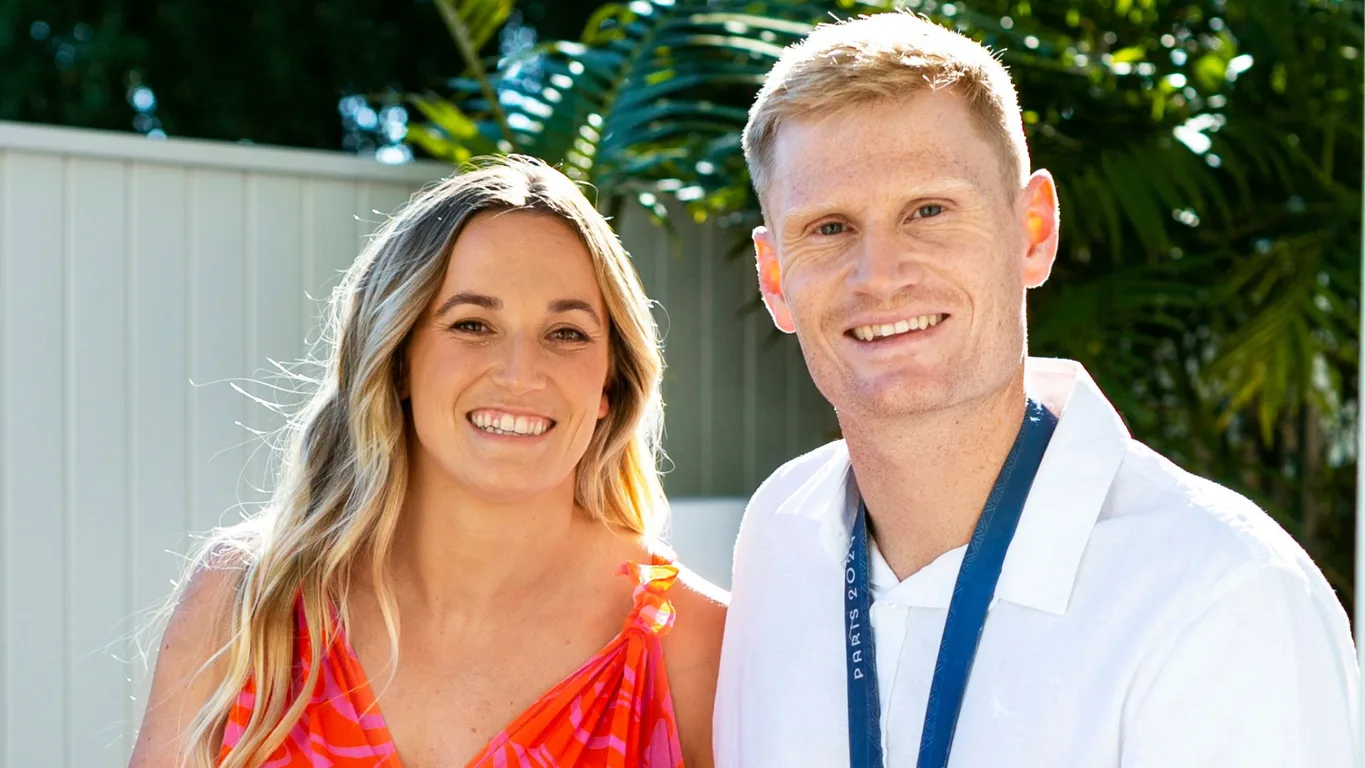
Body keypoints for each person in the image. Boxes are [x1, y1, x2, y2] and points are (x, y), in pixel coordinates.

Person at [714, 12, 1357, 768]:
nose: (878, 275)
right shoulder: (779, 536)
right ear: (773, 277)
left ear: (1032, 230)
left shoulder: (1222, 593)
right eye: (828, 228)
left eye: (928, 211)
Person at [131, 156, 726, 768]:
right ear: (398, 356)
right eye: (472, 324)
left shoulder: (695, 648)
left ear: (610, 382)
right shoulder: (250, 603)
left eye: (566, 333)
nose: (521, 374)